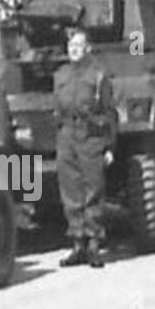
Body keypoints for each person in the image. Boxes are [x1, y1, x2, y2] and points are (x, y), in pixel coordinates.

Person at [54, 24, 117, 267]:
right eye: (71, 47)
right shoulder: (60, 75)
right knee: (70, 191)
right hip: (67, 135)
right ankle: (77, 243)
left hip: (91, 135)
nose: (74, 50)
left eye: (79, 46)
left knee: (93, 190)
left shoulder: (98, 75)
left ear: (87, 48)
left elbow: (110, 112)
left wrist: (110, 146)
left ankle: (93, 244)